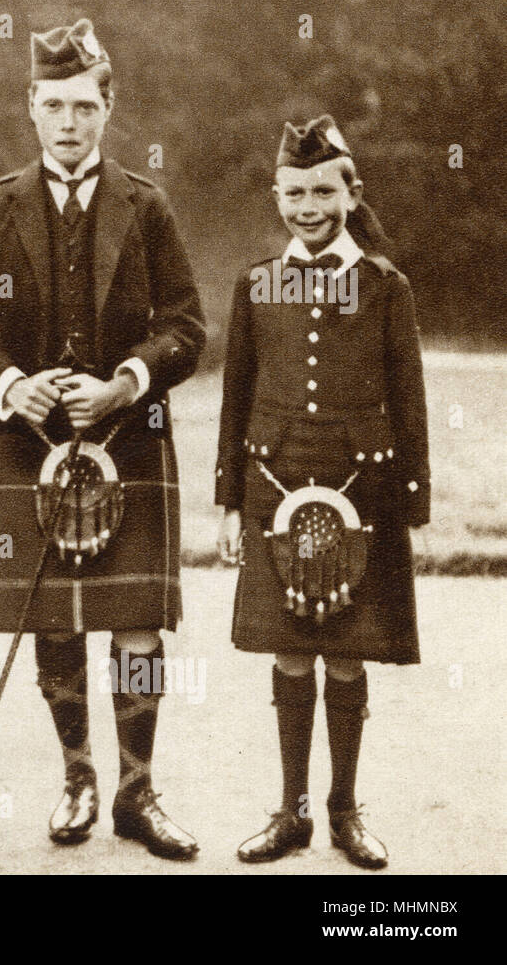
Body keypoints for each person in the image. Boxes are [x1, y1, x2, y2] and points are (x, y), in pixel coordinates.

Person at [0, 20, 205, 858]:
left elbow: (187, 326)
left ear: (108, 107)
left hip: (130, 440)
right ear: (31, 106)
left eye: (85, 106)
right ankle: (78, 779)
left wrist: (126, 378)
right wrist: (13, 385)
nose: (69, 122)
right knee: (57, 622)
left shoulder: (147, 206)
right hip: (29, 444)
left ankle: (136, 789)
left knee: (134, 623)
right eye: (53, 105)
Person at [216, 115, 429, 869]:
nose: (307, 206)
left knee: (344, 653)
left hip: (362, 493)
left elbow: (409, 398)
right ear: (278, 196)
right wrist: (230, 502)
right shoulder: (256, 285)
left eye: (321, 190)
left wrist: (414, 505)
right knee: (289, 652)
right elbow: (236, 393)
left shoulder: (383, 286)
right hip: (274, 487)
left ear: (350, 191)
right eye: (294, 192)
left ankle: (345, 808)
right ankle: (291, 812)